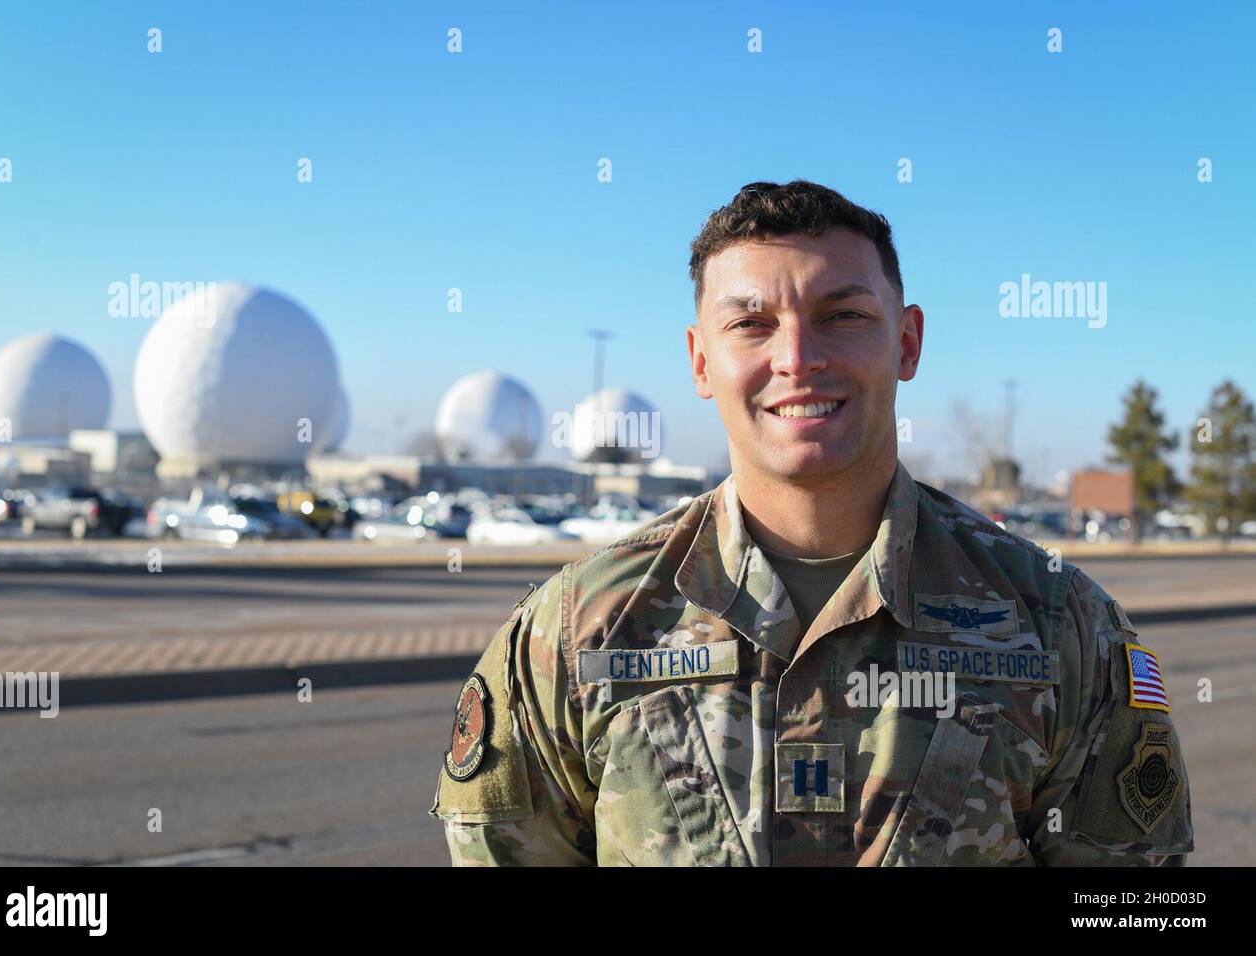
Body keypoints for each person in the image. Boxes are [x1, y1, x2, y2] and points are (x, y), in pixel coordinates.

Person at [429, 180, 1193, 866]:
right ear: (700, 362)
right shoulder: (575, 633)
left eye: (844, 316)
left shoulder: (1057, 624)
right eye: (752, 324)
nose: (798, 357)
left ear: (907, 343)